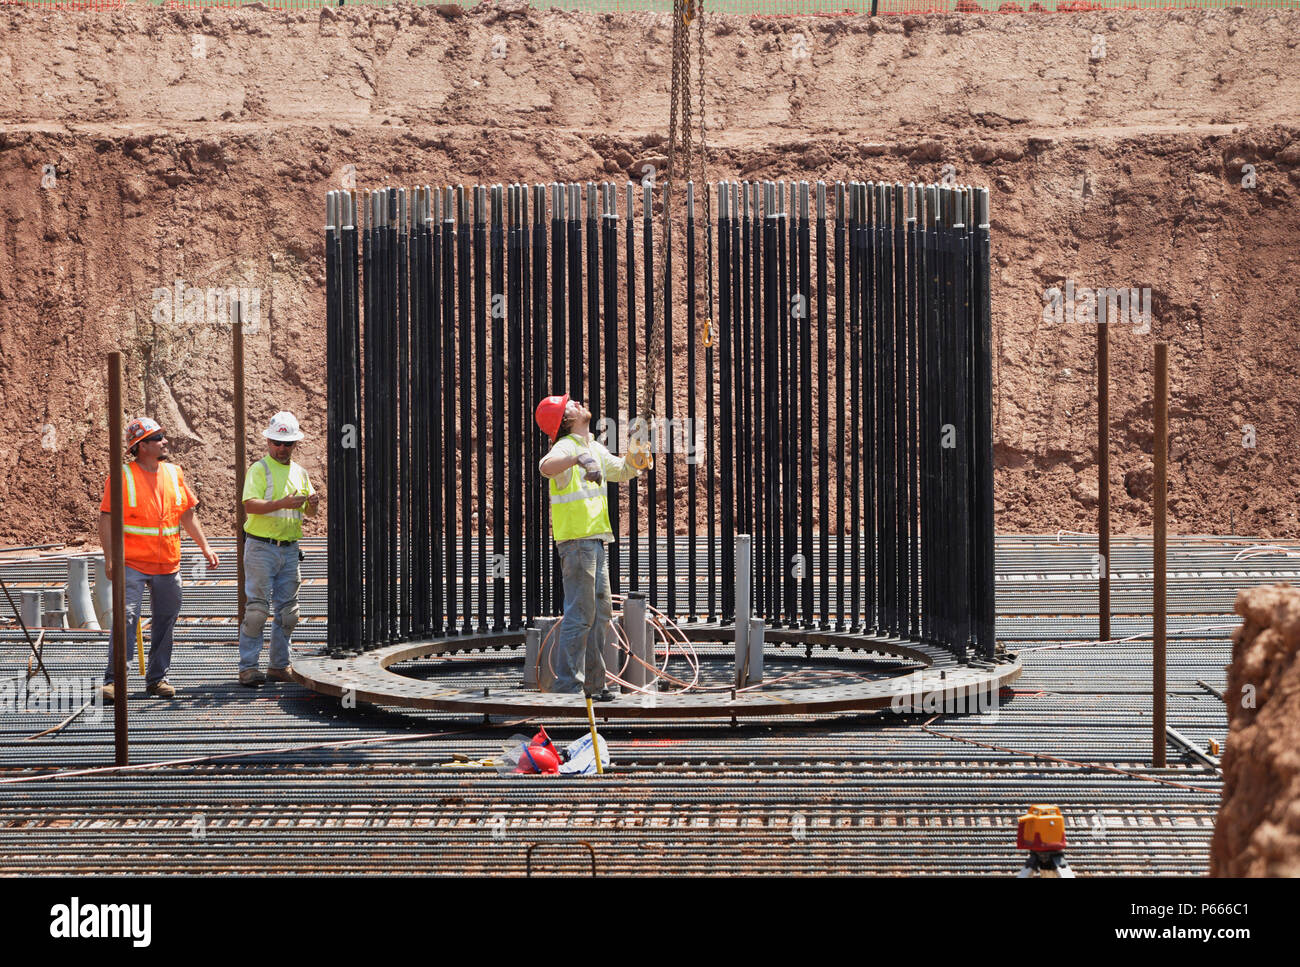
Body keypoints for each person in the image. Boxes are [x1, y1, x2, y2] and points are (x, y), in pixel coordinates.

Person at [98, 417, 219, 701]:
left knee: (166, 620)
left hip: (168, 564)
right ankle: (115, 681)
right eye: (159, 437)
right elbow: (106, 520)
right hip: (133, 564)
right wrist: (110, 559)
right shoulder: (122, 477)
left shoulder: (174, 473)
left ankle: (157, 679)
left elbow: (187, 514)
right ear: (141, 447)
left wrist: (205, 547)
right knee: (126, 618)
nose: (165, 441)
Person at [535, 394, 641, 699]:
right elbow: (546, 466)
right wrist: (577, 459)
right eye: (571, 404)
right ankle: (569, 687)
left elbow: (622, 471)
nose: (580, 402)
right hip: (577, 543)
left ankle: (595, 686)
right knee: (581, 615)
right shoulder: (567, 446)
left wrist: (637, 451)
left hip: (594, 541)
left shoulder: (593, 446)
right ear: (565, 420)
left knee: (600, 615)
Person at [238, 411, 317, 686]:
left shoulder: (300, 473)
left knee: (288, 612)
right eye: (276, 442)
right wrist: (281, 503)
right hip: (261, 548)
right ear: (268, 442)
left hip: (289, 549)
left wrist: (314, 503)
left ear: (295, 444)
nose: (281, 448)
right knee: (257, 611)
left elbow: (310, 512)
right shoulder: (259, 470)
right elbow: (249, 505)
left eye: (287, 443)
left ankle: (278, 665)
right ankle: (248, 668)